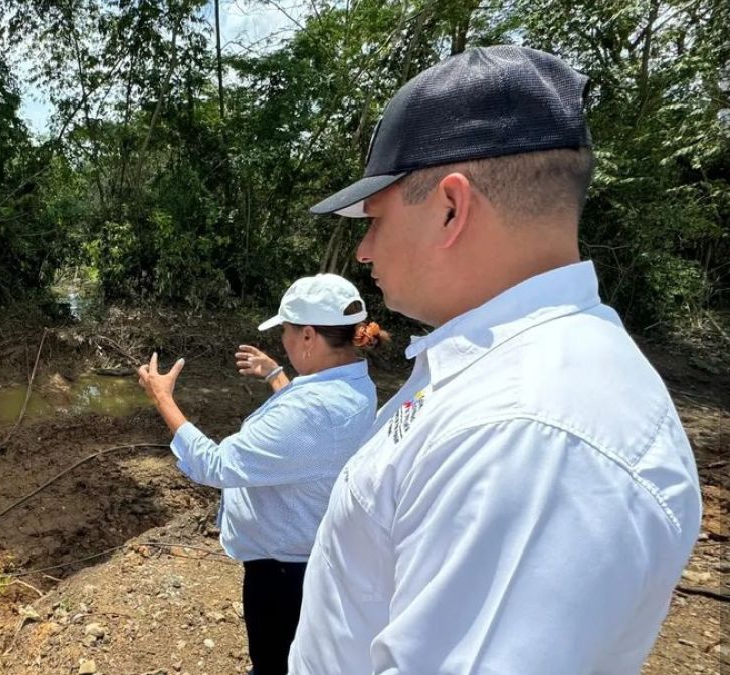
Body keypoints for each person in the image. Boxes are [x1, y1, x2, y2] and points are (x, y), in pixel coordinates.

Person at [288, 45, 702, 674]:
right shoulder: (513, 377)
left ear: (451, 208)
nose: (365, 250)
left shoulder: (523, 434)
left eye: (373, 219)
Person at [136, 273, 385, 675]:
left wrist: (163, 398)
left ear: (307, 336)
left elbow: (214, 465)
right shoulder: (355, 382)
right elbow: (307, 443)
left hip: (282, 570)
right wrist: (277, 376)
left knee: (273, 662)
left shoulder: (311, 411)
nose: (282, 341)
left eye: (286, 330)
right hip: (306, 554)